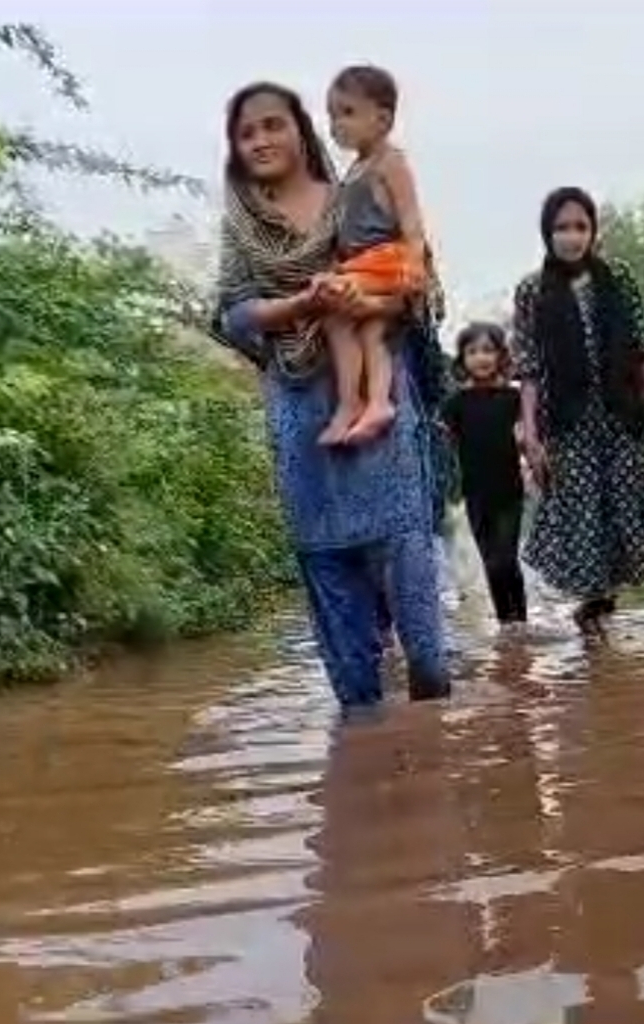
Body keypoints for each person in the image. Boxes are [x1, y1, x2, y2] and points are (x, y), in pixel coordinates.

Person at [211, 81, 449, 714]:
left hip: (382, 399)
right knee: (329, 567)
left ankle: (434, 722)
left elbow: (417, 284)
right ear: (235, 147)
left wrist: (363, 299)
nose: (261, 140)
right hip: (300, 410)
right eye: (246, 132)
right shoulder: (242, 223)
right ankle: (363, 730)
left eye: (273, 125)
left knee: (407, 561)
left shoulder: (353, 194)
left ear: (301, 130)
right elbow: (232, 317)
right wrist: (303, 303)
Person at [511, 186, 644, 638]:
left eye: (580, 227)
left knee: (625, 503)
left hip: (620, 413)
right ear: (547, 234)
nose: (571, 237)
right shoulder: (532, 291)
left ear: (593, 232)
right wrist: (529, 433)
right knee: (580, 508)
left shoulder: (617, 278)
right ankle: (593, 601)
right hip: (566, 422)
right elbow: (528, 367)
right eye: (561, 228)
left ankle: (604, 599)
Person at [315, 64, 430, 447]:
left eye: (347, 113)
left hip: (388, 261)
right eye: (332, 115)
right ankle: (377, 402)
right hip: (361, 265)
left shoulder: (390, 163)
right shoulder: (352, 171)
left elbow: (411, 222)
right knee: (367, 327)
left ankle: (351, 402)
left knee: (334, 307)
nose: (337, 124)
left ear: (382, 119)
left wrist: (415, 268)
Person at [442, 322, 528, 628]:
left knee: (506, 559)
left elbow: (528, 436)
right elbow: (445, 445)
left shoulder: (513, 399)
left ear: (500, 356)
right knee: (492, 564)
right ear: (462, 359)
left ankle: (521, 620)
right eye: (473, 351)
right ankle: (509, 625)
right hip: (476, 494)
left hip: (511, 492)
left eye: (488, 350)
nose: (481, 358)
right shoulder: (455, 404)